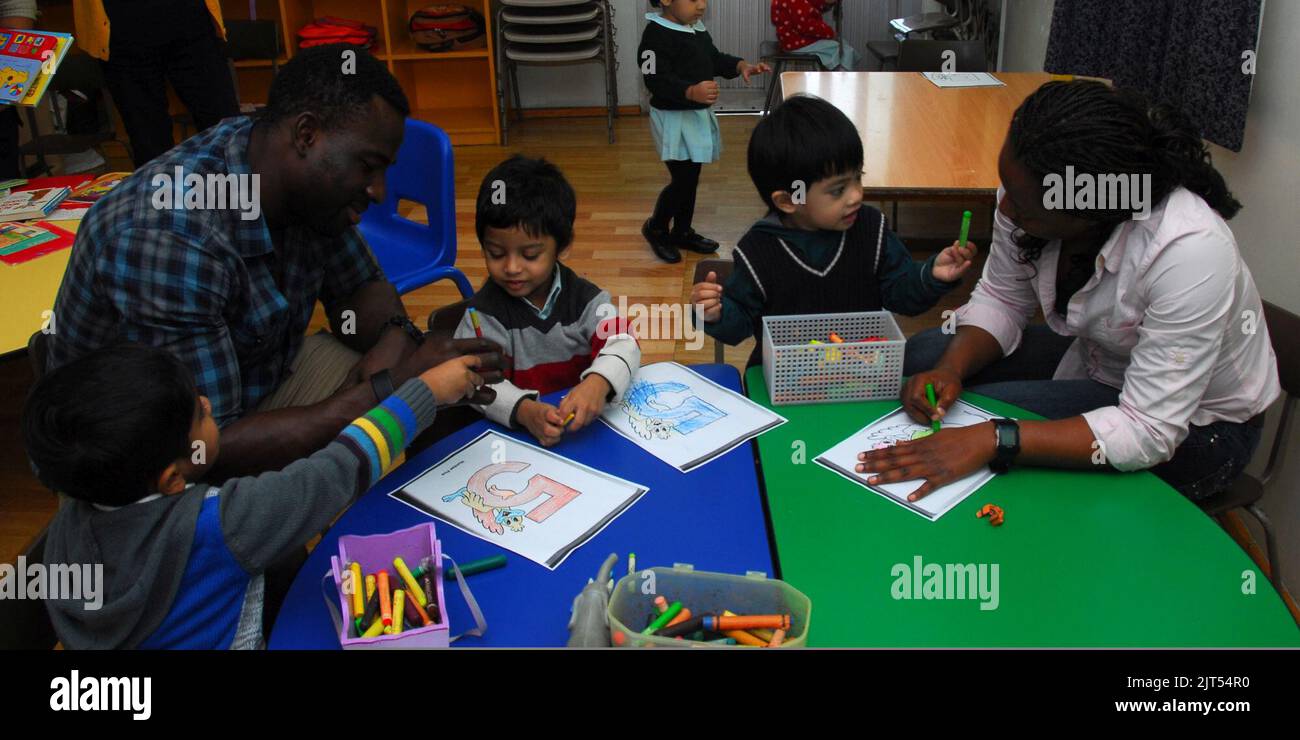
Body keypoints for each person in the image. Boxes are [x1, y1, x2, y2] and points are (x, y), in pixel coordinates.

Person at [46, 44, 502, 480]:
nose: (379, 191)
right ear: (306, 135)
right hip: (152, 461)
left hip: (254, 380)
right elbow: (206, 449)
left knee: (443, 391)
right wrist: (394, 384)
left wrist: (396, 336)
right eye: (369, 166)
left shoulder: (293, 178)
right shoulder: (172, 237)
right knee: (276, 544)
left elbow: (361, 286)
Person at [867, 80, 1279, 502]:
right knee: (925, 356)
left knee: (981, 420)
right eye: (1006, 187)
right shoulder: (1032, 188)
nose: (1006, 209)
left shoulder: (1189, 250)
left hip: (1198, 430)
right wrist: (950, 369)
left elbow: (1148, 432)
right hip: (1104, 359)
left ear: (1088, 212)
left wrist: (994, 438)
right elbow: (1003, 300)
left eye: (1023, 205)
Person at [28, 343, 486, 649]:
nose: (207, 403)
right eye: (197, 413)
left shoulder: (71, 517)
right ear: (170, 479)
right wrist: (425, 391)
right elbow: (338, 470)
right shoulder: (220, 523)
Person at [691, 94, 977, 368]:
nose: (856, 195)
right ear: (789, 200)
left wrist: (930, 276)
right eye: (838, 190)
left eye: (858, 178)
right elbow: (739, 323)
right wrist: (713, 314)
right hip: (784, 381)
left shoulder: (871, 230)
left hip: (863, 372)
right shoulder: (757, 252)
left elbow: (900, 295)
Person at [453, 155, 640, 447]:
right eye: (496, 253)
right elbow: (472, 382)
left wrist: (599, 382)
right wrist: (524, 411)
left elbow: (624, 341)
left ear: (561, 246)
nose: (512, 267)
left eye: (530, 255)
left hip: (585, 436)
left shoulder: (585, 300)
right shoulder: (482, 316)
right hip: (515, 445)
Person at [638, 0, 770, 263]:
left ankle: (682, 231)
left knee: (691, 175)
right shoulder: (654, 34)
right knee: (683, 178)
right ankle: (657, 227)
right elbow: (653, 78)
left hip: (695, 115)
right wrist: (689, 91)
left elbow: (714, 58)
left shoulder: (695, 28)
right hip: (672, 118)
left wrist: (740, 65)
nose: (702, 5)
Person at [74, 0, 241, 166]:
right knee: (150, 147)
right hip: (121, 34)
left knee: (227, 134)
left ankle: (240, 191)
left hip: (191, 25)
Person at [771, 0, 859, 71]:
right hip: (796, 41)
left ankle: (837, 75)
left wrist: (825, 2)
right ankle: (842, 81)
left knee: (843, 45)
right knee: (841, 49)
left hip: (794, 39)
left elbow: (811, 3)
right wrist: (830, 34)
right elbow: (806, 25)